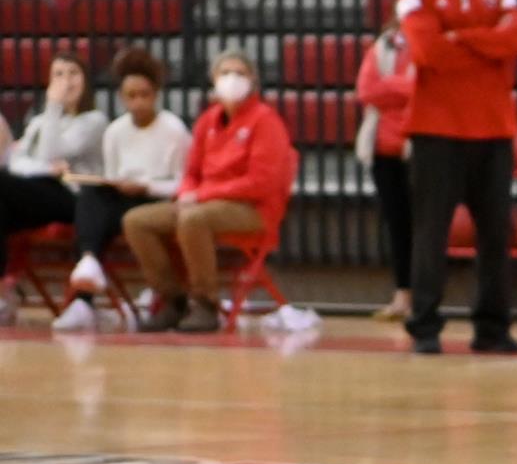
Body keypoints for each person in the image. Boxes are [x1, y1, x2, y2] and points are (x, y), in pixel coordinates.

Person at [397, 0, 517, 356]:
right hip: (436, 130)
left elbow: (515, 39)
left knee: (495, 235)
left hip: (494, 129)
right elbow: (428, 51)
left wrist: (463, 36)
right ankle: (425, 327)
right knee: (431, 233)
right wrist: (484, 44)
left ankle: (492, 328)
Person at [125, 49, 295, 334]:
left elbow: (260, 182)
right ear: (214, 80)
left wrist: (201, 196)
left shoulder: (265, 120)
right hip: (205, 203)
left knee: (194, 219)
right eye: (225, 73)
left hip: (252, 209)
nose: (232, 79)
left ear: (253, 80)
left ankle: (205, 303)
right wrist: (187, 193)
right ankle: (172, 298)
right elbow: (192, 172)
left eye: (240, 73)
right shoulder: (208, 120)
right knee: (137, 221)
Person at [55, 46, 188, 332]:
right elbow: (112, 174)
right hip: (123, 197)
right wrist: (115, 183)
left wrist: (147, 185)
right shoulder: (115, 131)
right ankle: (88, 268)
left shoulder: (174, 130)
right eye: (131, 96)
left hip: (158, 200)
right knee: (91, 196)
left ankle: (84, 293)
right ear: (121, 98)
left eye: (145, 95)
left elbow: (183, 182)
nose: (138, 102)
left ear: (156, 95)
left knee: (106, 219)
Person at [0, 51, 107, 325]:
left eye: (73, 74)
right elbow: (16, 161)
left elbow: (50, 151)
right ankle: (3, 289)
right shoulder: (38, 123)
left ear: (85, 81)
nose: (65, 81)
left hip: (75, 199)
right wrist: (43, 168)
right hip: (39, 191)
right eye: (58, 74)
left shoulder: (93, 121)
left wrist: (53, 106)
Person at [355, 19, 416, 321]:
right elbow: (366, 90)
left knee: (424, 225)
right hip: (382, 148)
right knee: (397, 224)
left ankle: (424, 296)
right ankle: (402, 295)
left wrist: (388, 85)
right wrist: (401, 88)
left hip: (418, 146)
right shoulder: (382, 46)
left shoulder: (430, 45)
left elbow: (426, 91)